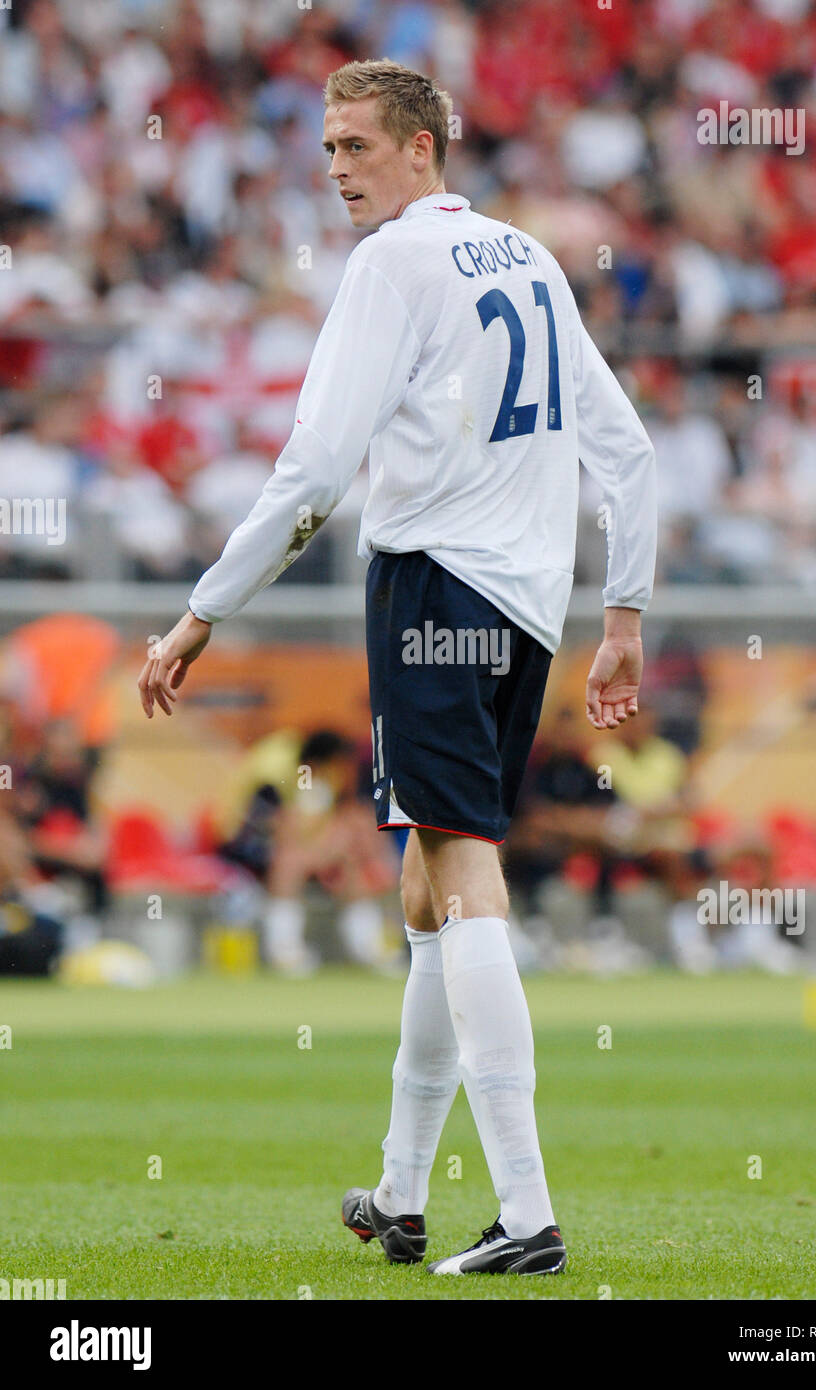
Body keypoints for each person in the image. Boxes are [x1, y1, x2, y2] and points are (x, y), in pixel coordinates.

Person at [138, 60, 657, 1277]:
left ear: (422, 149)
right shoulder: (527, 256)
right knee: (427, 887)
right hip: (527, 609)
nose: (334, 169)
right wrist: (621, 613)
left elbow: (319, 471)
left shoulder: (391, 267)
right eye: (327, 148)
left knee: (460, 869)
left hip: (431, 590)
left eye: (357, 146)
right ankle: (402, 1189)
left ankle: (526, 1212)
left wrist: (203, 609)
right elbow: (625, 449)